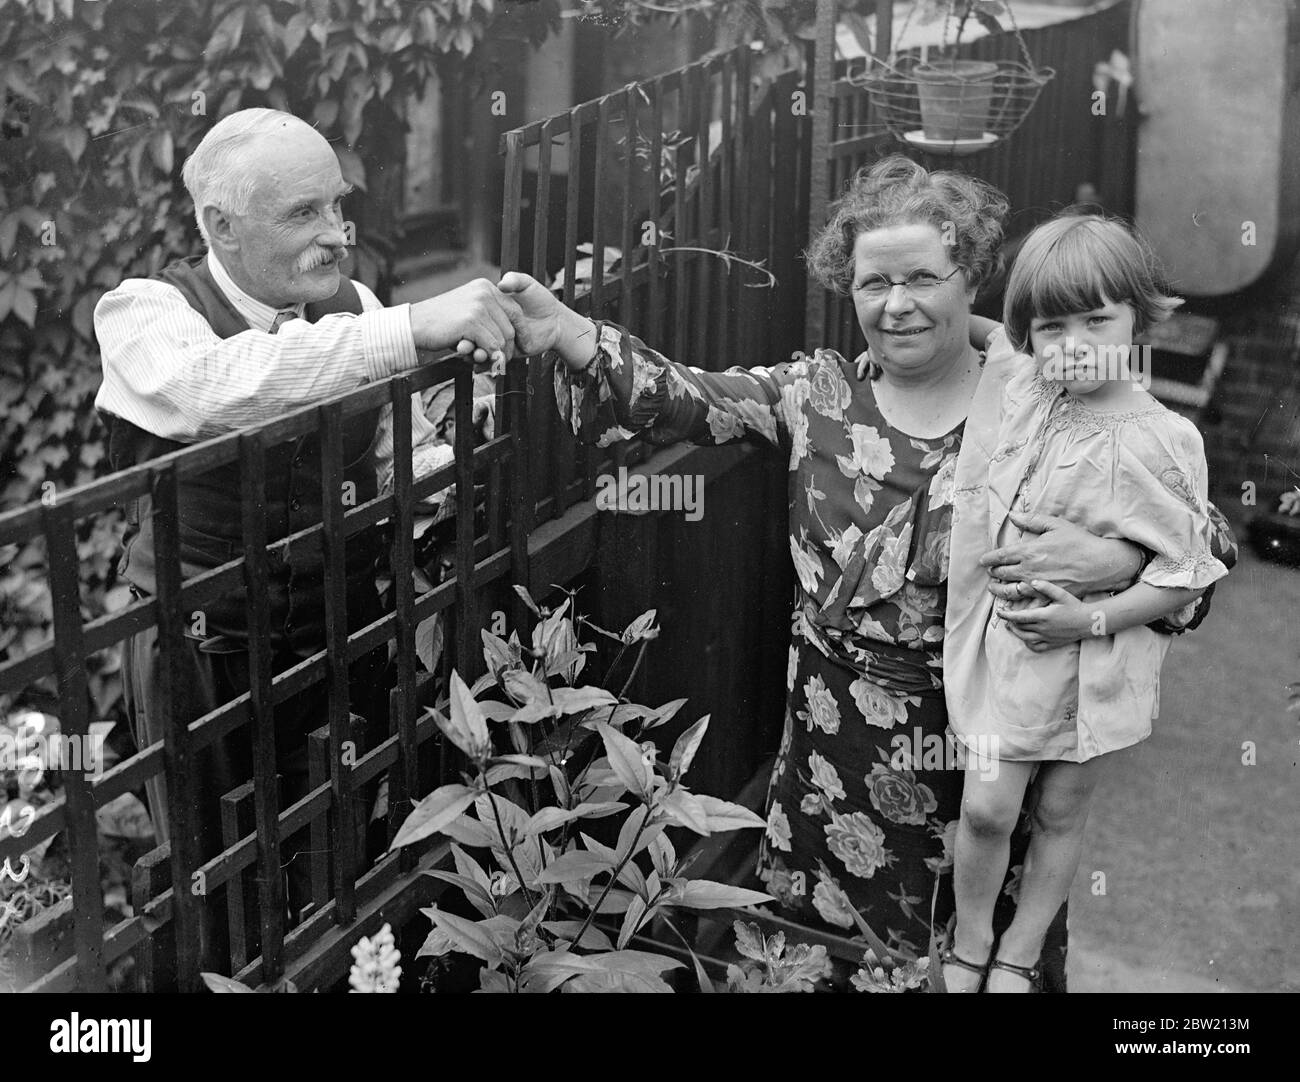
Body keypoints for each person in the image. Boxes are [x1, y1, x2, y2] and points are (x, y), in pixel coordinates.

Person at [493, 155, 1237, 991]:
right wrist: (569, 331)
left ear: (971, 277)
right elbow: (685, 397)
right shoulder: (814, 395)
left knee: (977, 961)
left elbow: (1198, 544)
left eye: (923, 276)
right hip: (832, 755)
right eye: (872, 282)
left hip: (989, 742)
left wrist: (1118, 560)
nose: (897, 304)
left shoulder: (1043, 390)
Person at [93, 108, 523, 927]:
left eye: (337, 206)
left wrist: (470, 450)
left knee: (335, 870)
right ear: (221, 226)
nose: (336, 235)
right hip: (204, 652)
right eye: (303, 215)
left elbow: (396, 453)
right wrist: (406, 327)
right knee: (215, 889)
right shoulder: (143, 312)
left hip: (337, 637)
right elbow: (214, 388)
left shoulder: (351, 302)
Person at [940, 214, 1229, 992]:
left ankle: (1019, 953)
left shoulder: (1164, 437)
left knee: (1062, 810)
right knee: (989, 809)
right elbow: (987, 335)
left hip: (1101, 654)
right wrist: (906, 323)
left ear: (1140, 314)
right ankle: (970, 943)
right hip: (1017, 650)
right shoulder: (1030, 384)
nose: (1073, 343)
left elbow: (1187, 572)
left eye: (1097, 320)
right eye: (1052, 323)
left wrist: (1090, 616)